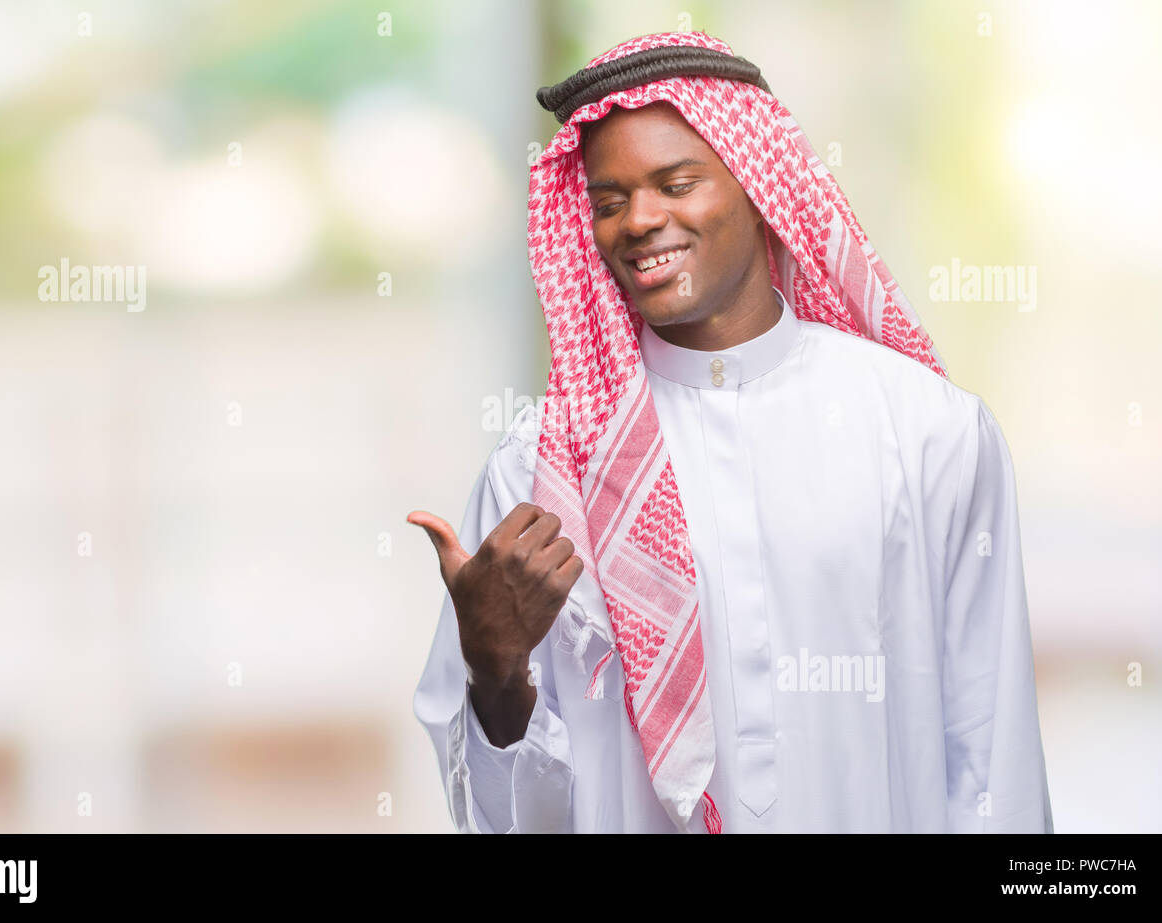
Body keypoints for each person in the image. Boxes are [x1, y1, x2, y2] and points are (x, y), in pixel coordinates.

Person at [408, 30, 1053, 833]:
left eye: (676, 183)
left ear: (758, 187)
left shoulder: (926, 430)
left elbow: (992, 757)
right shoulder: (543, 470)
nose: (640, 220)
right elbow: (502, 815)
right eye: (608, 202)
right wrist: (494, 666)